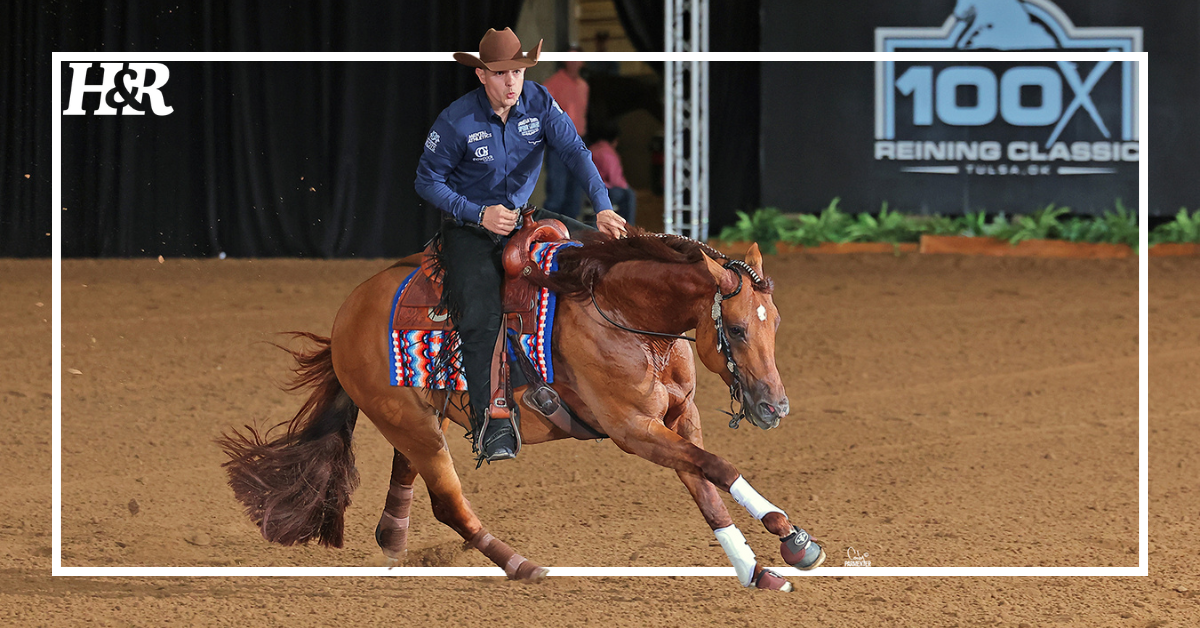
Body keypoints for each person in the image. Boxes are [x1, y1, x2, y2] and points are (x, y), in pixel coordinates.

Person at [415, 28, 627, 464]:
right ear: (480, 76)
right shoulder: (456, 121)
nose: (512, 82)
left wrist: (602, 207)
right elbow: (426, 181)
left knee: (599, 257)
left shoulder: (540, 102)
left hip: (523, 220)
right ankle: (490, 420)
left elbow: (575, 152)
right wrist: (477, 213)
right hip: (469, 229)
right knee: (479, 314)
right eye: (501, 74)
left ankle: (608, 378)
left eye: (517, 71)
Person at [540, 45, 589, 220]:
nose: (573, 62)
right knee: (556, 194)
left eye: (576, 58)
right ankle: (547, 235)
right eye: (569, 58)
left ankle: (571, 240)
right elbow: (542, 111)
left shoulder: (583, 86)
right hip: (559, 143)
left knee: (575, 196)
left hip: (577, 142)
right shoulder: (553, 83)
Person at [588, 120, 636, 226]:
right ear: (615, 139)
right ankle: (628, 228)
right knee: (629, 195)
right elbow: (615, 178)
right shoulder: (607, 152)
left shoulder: (592, 149)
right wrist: (627, 187)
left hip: (588, 189)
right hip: (604, 189)